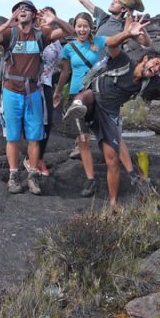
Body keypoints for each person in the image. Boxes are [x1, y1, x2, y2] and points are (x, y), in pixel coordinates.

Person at [64, 14, 160, 208]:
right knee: (87, 96)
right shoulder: (124, 61)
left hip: (108, 115)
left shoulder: (151, 81)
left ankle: (113, 203)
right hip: (93, 98)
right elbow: (111, 44)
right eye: (155, 64)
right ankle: (77, 106)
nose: (156, 69)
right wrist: (127, 34)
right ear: (145, 59)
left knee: (112, 160)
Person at [56, 0, 150, 180]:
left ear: (124, 9)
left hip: (108, 76)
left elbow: (145, 42)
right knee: (84, 105)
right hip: (91, 74)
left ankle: (127, 167)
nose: (112, 1)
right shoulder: (103, 17)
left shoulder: (124, 26)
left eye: (117, 1)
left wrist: (133, 19)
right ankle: (81, 142)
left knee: (108, 119)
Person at [0, 0, 71, 195]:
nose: (22, 11)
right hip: (11, 91)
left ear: (34, 14)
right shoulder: (10, 33)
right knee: (12, 137)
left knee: (34, 138)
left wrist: (55, 19)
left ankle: (32, 176)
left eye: (27, 9)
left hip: (33, 92)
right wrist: (8, 23)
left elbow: (69, 31)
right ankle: (13, 175)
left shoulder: (41, 34)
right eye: (18, 9)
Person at [53, 12, 107, 197]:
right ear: (74, 28)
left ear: (91, 27)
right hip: (75, 95)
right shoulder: (68, 48)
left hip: (97, 94)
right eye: (79, 26)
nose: (82, 29)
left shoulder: (98, 43)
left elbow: (117, 43)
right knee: (83, 139)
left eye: (85, 26)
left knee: (103, 134)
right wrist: (58, 92)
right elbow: (65, 72)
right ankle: (90, 179)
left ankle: (114, 166)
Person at [25, 6, 69, 177]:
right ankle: (31, 158)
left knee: (46, 122)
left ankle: (38, 158)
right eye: (43, 16)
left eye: (50, 16)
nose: (46, 19)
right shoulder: (31, 34)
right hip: (28, 84)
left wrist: (58, 90)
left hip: (46, 85)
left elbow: (65, 69)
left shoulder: (56, 42)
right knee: (31, 122)